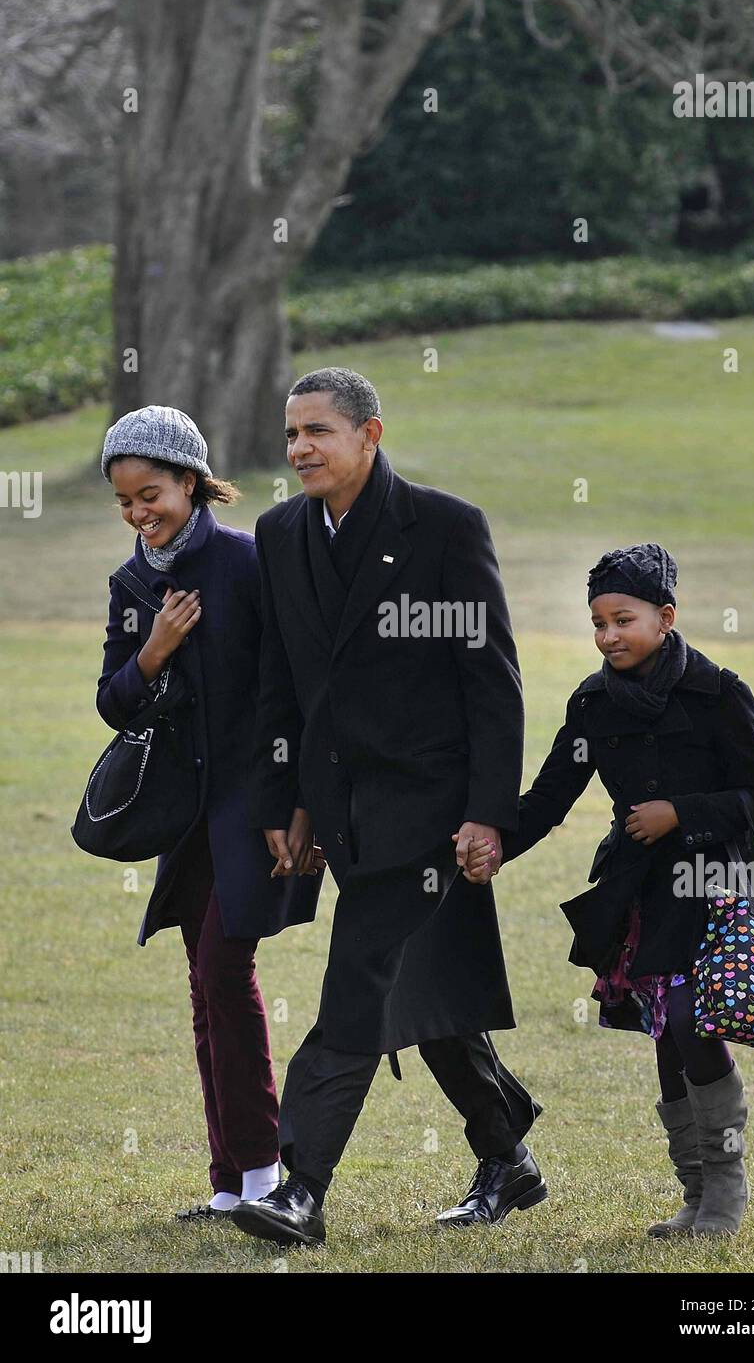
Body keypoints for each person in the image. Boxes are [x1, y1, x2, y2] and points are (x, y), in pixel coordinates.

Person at [230, 367, 545, 1249]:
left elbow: (493, 685)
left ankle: (301, 1188)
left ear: (371, 434)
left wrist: (490, 813)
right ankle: (507, 1152)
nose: (299, 449)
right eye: (291, 434)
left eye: (318, 432)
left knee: (358, 980)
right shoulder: (280, 532)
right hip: (339, 810)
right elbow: (279, 685)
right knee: (418, 987)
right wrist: (287, 800)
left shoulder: (446, 528)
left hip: (431, 813)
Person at [466, 542, 754, 1238]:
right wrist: (494, 844)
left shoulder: (718, 691)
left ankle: (725, 1187)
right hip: (640, 891)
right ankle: (695, 1190)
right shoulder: (592, 704)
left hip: (717, 880)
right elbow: (549, 799)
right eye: (598, 623)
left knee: (684, 1018)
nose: (608, 636)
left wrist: (680, 812)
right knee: (667, 1034)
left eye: (623, 620)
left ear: (665, 617)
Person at [97, 406, 322, 1221]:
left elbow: (299, 689)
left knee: (224, 973)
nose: (138, 513)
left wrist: (299, 805)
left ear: (191, 482)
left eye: (150, 493)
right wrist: (152, 650)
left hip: (259, 808)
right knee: (204, 988)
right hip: (184, 822)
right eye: (124, 502)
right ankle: (229, 1184)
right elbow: (113, 704)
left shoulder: (251, 563)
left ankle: (263, 1175)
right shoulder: (131, 584)